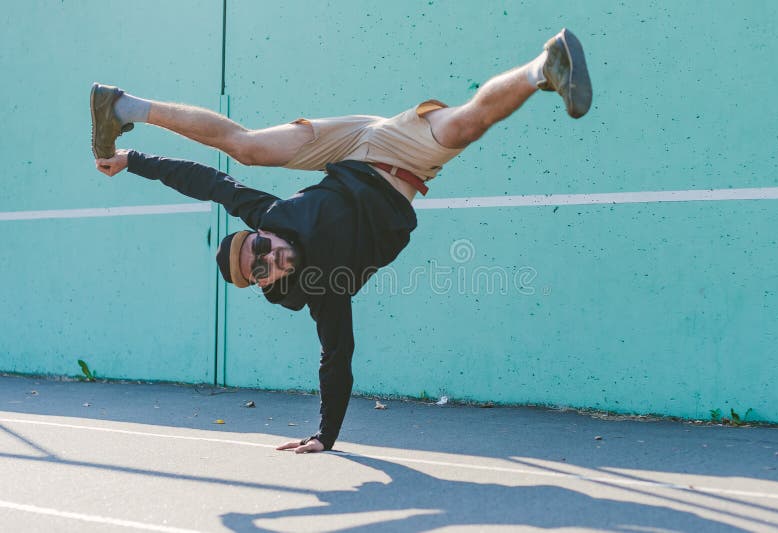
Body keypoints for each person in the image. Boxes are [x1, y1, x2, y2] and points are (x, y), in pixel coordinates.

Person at [91, 29, 592, 453]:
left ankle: (123, 105)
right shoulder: (320, 288)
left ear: (260, 233)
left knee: (244, 148)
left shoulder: (268, 215)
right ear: (267, 285)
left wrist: (134, 160)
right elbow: (337, 355)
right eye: (259, 270)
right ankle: (543, 68)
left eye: (258, 248)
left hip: (350, 148)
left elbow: (203, 181)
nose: (268, 257)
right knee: (466, 123)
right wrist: (325, 436)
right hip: (404, 161)